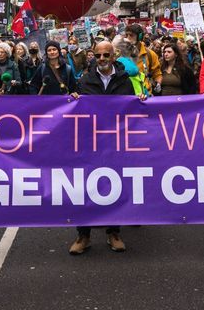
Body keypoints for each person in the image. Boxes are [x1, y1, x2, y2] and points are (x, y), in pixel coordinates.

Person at [69, 41, 136, 255]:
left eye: (106, 55)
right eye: (97, 56)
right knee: (86, 187)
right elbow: (76, 111)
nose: (102, 59)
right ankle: (83, 234)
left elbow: (132, 108)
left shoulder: (125, 80)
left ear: (113, 56)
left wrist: (141, 100)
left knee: (115, 185)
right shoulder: (85, 80)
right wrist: (73, 100)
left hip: (116, 142)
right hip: (91, 143)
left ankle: (114, 232)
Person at [124, 24, 162, 93]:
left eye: (131, 35)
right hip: (127, 96)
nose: (128, 38)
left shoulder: (150, 54)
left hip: (146, 96)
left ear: (140, 36)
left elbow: (157, 74)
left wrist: (158, 84)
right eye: (126, 35)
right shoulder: (121, 54)